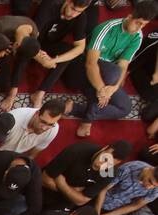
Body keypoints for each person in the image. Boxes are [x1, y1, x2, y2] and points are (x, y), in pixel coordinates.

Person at [66, 4, 157, 138]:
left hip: (107, 79)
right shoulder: (107, 28)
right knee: (113, 72)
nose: (139, 28)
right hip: (82, 70)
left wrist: (113, 88)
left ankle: (74, 108)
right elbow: (91, 64)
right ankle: (88, 120)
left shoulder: (137, 37)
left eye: (143, 25)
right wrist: (102, 90)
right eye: (138, 23)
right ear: (130, 16)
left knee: (125, 108)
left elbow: (123, 65)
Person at [0, 101, 64, 159]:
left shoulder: (53, 129)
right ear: (37, 114)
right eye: (43, 122)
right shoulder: (13, 119)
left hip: (17, 158)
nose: (44, 128)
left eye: (50, 124)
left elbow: (36, 151)